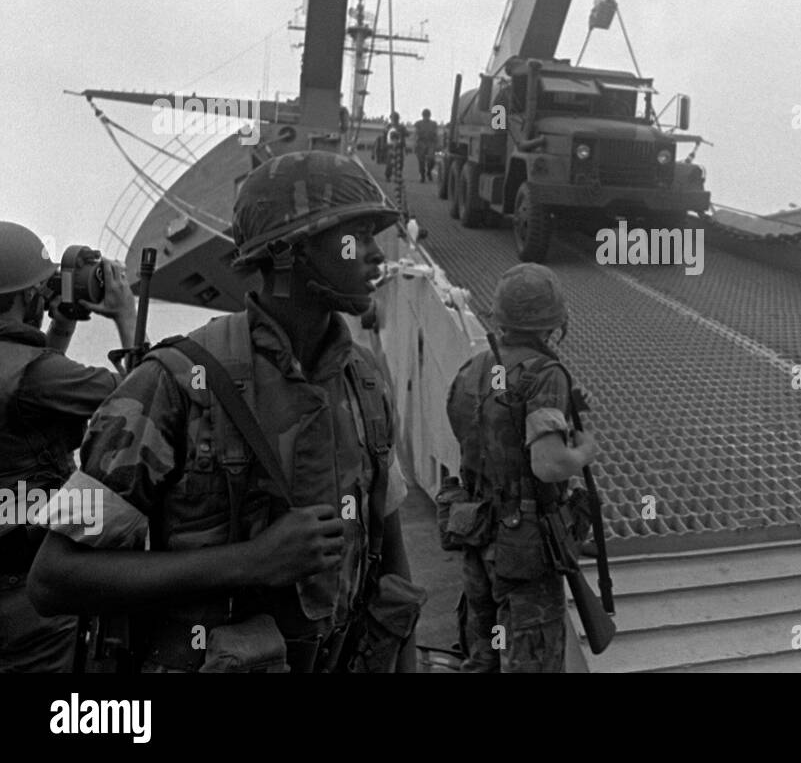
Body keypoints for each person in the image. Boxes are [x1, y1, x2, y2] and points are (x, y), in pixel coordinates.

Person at [29, 152, 424, 673]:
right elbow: (55, 577)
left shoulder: (365, 380)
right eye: (356, 237)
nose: (377, 255)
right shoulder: (172, 383)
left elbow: (391, 559)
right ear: (290, 252)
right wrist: (253, 561)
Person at [445, 263, 600, 673]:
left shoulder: (473, 369)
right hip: (523, 549)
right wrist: (583, 450)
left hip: (476, 531)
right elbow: (549, 465)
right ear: (553, 321)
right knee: (531, 658)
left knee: (483, 657)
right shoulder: (546, 374)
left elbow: (477, 428)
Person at [0, 222, 137, 672]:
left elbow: (29, 402)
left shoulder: (29, 372)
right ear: (28, 297)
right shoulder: (37, 376)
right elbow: (144, 397)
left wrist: (58, 329)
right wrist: (125, 315)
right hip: (28, 592)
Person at [414, 109, 438, 184]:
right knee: (421, 161)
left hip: (430, 142)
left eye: (427, 115)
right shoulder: (418, 123)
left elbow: (436, 134)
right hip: (421, 143)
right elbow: (415, 134)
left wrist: (437, 143)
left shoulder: (433, 124)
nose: (426, 117)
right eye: (425, 116)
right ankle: (422, 176)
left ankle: (429, 171)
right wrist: (415, 144)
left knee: (432, 160)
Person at [384, 112, 408, 183]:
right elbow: (385, 134)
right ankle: (388, 176)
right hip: (390, 147)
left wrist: (399, 133)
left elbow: (407, 134)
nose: (394, 120)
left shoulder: (401, 127)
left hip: (399, 147)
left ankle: (398, 176)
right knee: (390, 163)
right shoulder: (388, 126)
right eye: (393, 118)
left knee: (399, 162)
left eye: (395, 118)